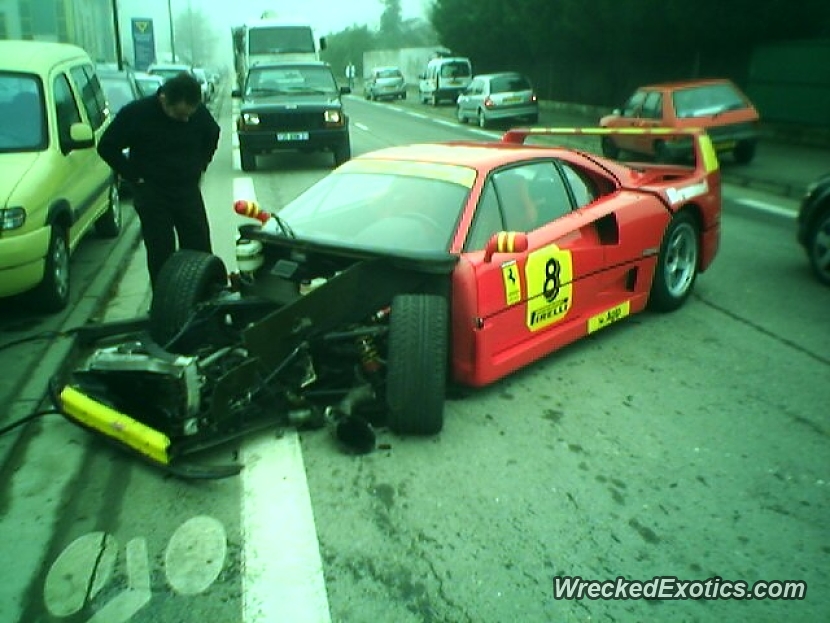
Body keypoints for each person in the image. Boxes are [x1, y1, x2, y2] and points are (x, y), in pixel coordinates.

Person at [97, 71, 221, 290]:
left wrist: (201, 164)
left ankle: (206, 295)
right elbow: (107, 146)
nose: (185, 120)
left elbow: (213, 133)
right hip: (152, 191)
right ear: (164, 99)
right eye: (179, 115)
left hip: (186, 189)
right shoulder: (137, 113)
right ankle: (165, 299)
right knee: (160, 251)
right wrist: (133, 175)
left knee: (199, 244)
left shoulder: (197, 113)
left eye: (189, 115)